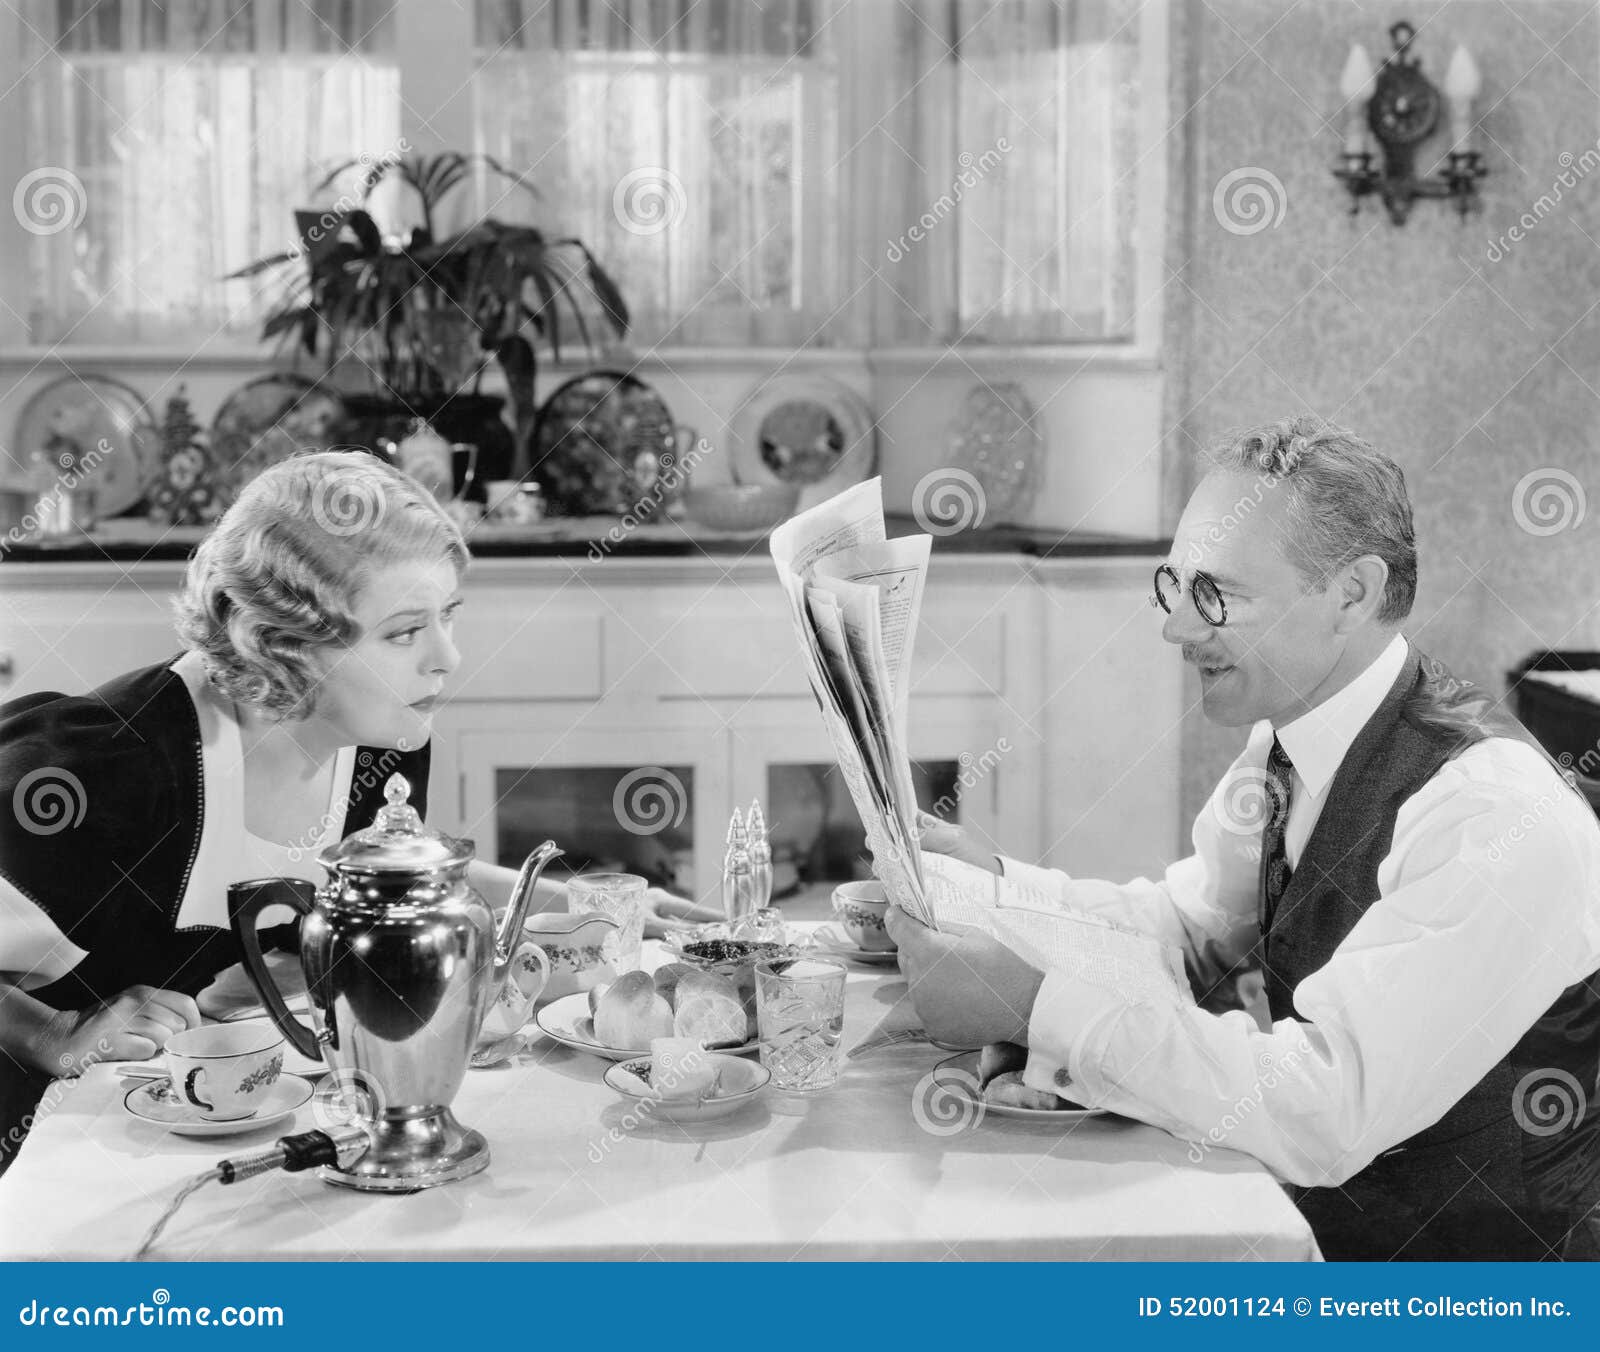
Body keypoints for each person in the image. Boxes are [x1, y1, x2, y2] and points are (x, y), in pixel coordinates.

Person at [889, 416, 1600, 1261]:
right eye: (1175, 586)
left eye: (1218, 596)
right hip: (1310, 1228)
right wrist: (998, 884)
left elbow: (1328, 1109)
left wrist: (1037, 1006)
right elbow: (1191, 931)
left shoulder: (1490, 816)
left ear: (1352, 595)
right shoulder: (1290, 738)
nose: (1177, 631)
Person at [0, 451, 712, 1165]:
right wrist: (51, 1033)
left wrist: (593, 904)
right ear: (279, 643)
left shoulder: (379, 740)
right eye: (404, 632)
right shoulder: (108, 770)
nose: (447, 658)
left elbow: (373, 876)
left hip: (138, 1129)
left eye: (447, 619)